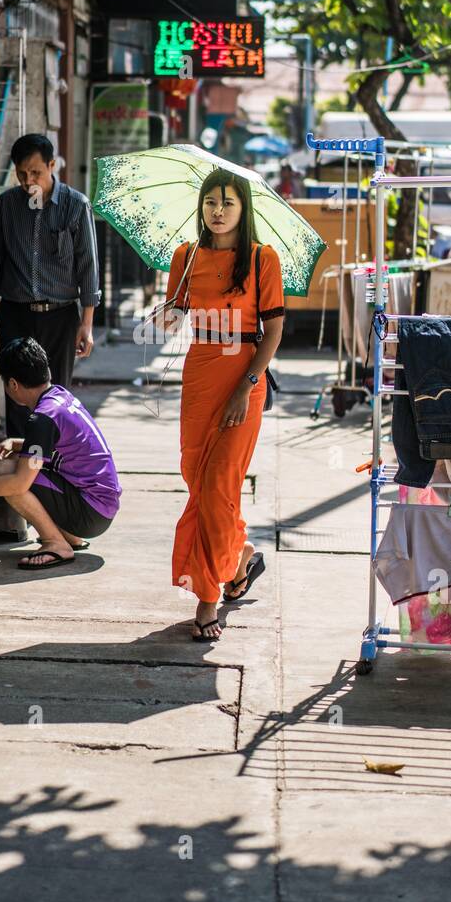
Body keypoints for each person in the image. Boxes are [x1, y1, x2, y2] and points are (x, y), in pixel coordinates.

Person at [163, 169, 285, 640]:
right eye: (210, 202)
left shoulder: (261, 259)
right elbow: (174, 321)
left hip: (244, 378)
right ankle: (239, 561)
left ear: (243, 208)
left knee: (218, 487)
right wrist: (168, 312)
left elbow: (272, 331)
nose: (217, 211)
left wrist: (246, 385)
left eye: (227, 203)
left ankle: (207, 598)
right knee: (197, 479)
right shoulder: (185, 256)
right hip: (199, 374)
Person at [0, 337, 121, 571]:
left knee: (8, 472)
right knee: (14, 465)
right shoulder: (58, 397)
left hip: (90, 512)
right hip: (99, 508)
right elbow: (55, 446)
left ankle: (56, 543)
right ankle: (68, 536)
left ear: (13, 384)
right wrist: (20, 444)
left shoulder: (42, 419)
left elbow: (17, 484)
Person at [0, 134, 100, 437]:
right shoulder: (8, 205)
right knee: (17, 394)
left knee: (55, 397)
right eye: (21, 173)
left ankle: (52, 471)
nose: (28, 180)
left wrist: (86, 325)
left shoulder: (75, 205)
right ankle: (18, 472)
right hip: (15, 315)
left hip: (59, 317)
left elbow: (88, 267)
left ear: (51, 166)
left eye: (35, 172)